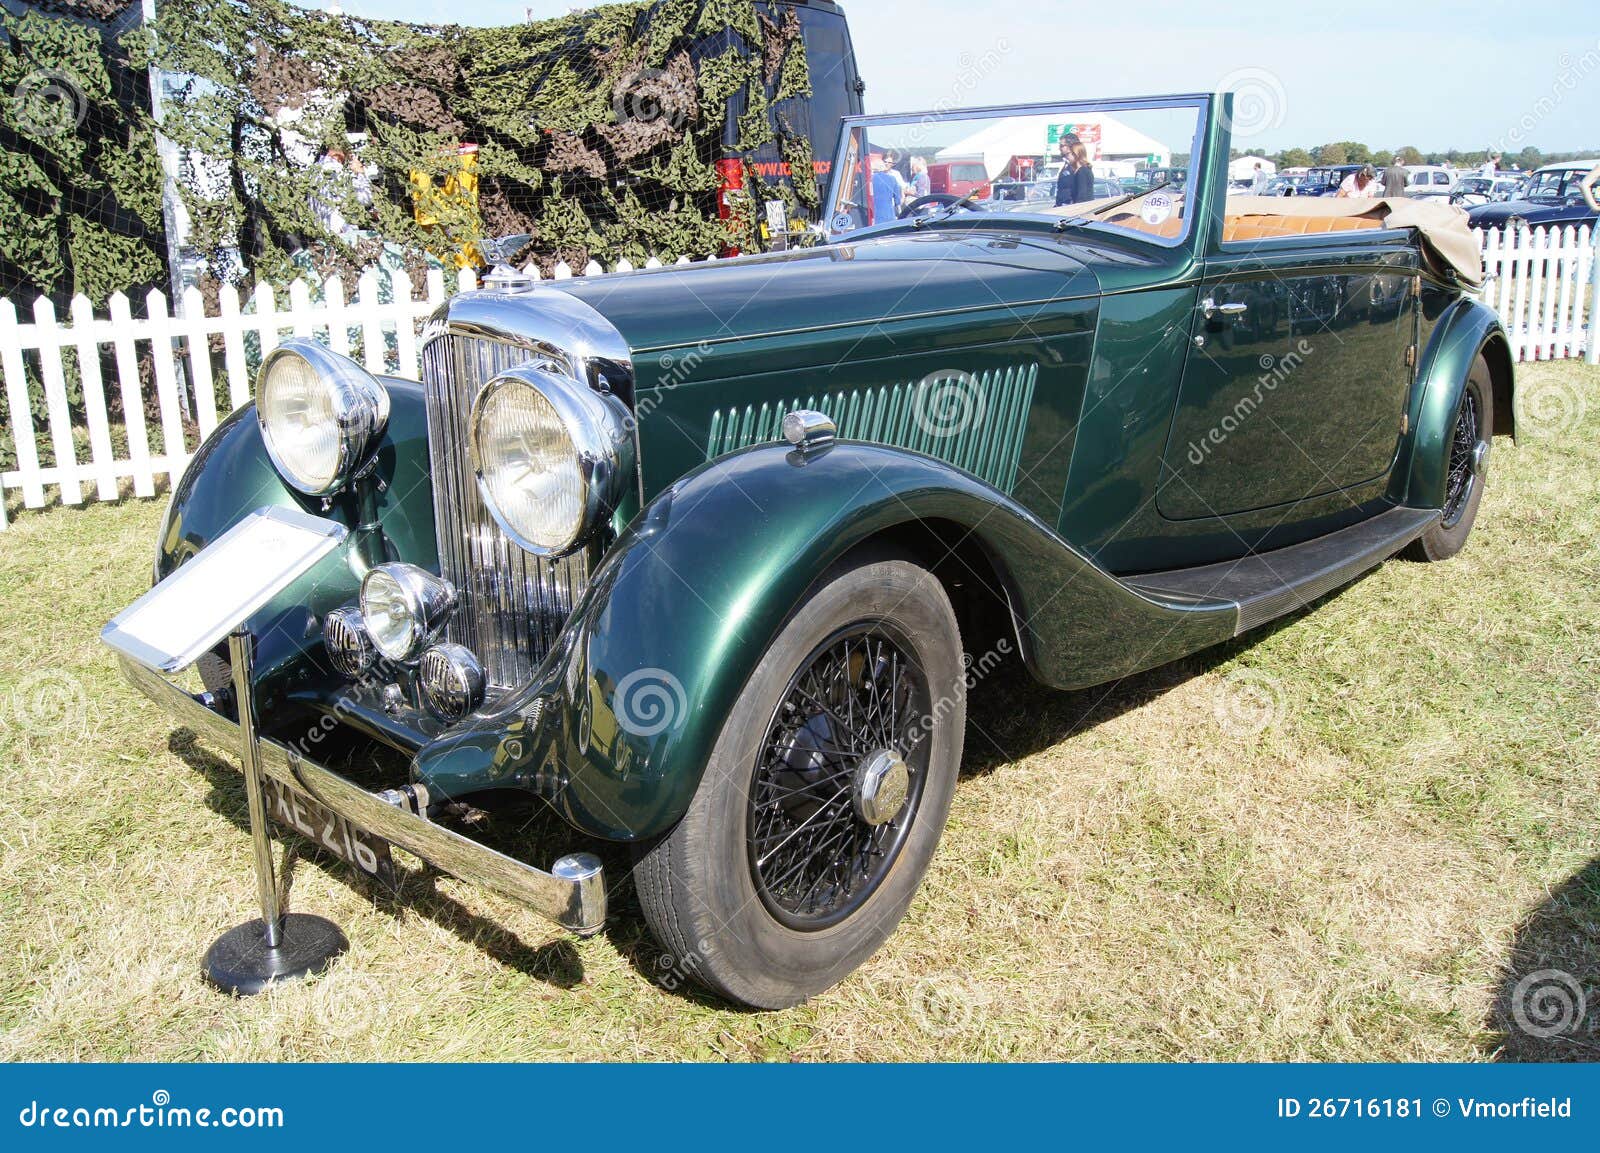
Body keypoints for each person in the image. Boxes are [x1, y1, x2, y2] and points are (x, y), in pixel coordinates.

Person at [1053, 132, 1094, 206]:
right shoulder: (1068, 165)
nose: (1059, 148)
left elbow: (1081, 195)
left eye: (1062, 146)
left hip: (1071, 207)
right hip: (1063, 206)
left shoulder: (1081, 170)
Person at [868, 151, 902, 223]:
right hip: (889, 216)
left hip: (874, 216)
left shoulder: (869, 179)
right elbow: (898, 200)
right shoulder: (892, 179)